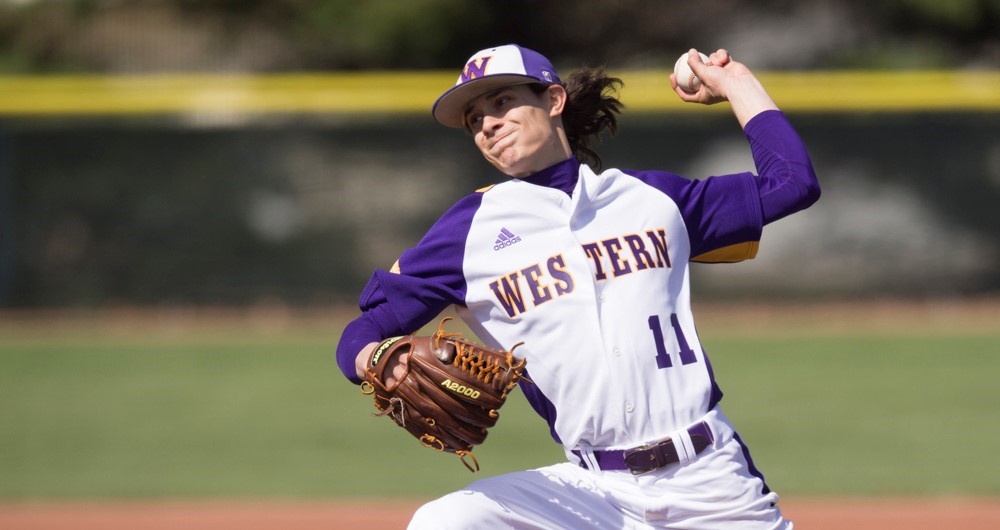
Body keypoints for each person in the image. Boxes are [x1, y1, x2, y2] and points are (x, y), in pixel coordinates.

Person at [336, 43, 820, 529]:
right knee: (448, 520)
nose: (488, 124)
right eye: (474, 120)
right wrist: (378, 359)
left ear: (553, 99)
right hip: (590, 495)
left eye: (501, 102)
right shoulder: (468, 232)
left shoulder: (650, 199)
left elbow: (792, 182)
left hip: (710, 480)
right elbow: (364, 330)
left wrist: (735, 82)